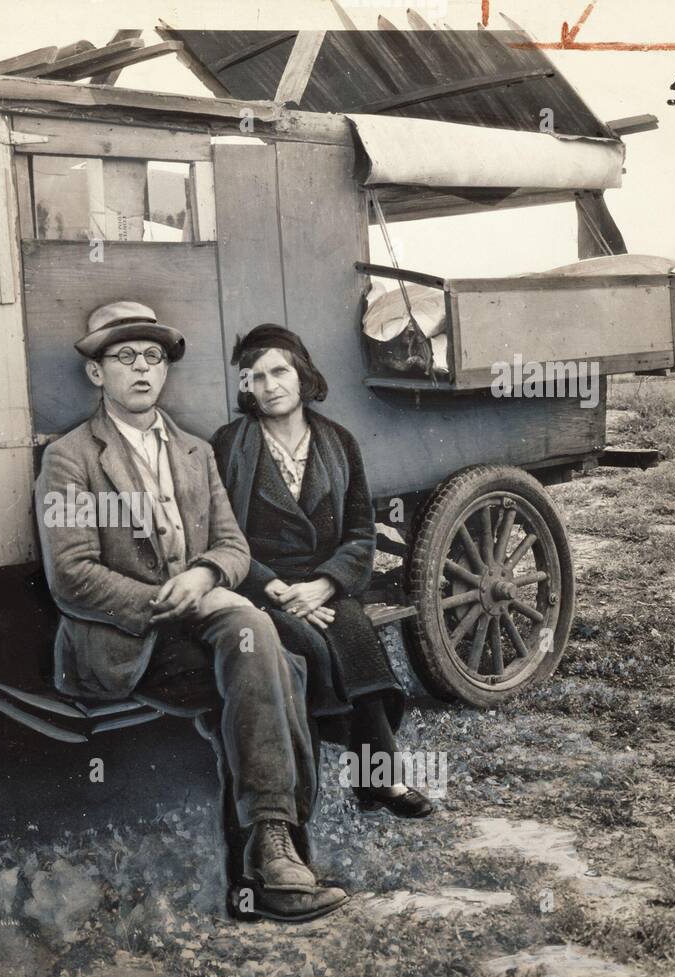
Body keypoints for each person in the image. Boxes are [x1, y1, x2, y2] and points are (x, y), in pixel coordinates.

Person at [35, 301, 348, 921]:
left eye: (153, 356)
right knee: (275, 667)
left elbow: (233, 547)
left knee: (260, 644)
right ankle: (275, 854)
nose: (142, 369)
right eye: (123, 357)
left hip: (199, 612)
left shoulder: (195, 452)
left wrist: (204, 574)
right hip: (123, 641)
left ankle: (269, 852)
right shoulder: (70, 458)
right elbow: (70, 577)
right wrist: (162, 598)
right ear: (97, 374)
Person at [211, 323, 433, 818]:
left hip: (324, 584)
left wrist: (324, 584)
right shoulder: (230, 445)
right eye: (255, 377)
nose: (269, 386)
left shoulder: (338, 442)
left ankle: (377, 781)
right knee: (311, 648)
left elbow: (360, 533)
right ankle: (320, 792)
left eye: (279, 371)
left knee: (359, 646)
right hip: (260, 586)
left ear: (302, 374)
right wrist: (272, 588)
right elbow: (220, 535)